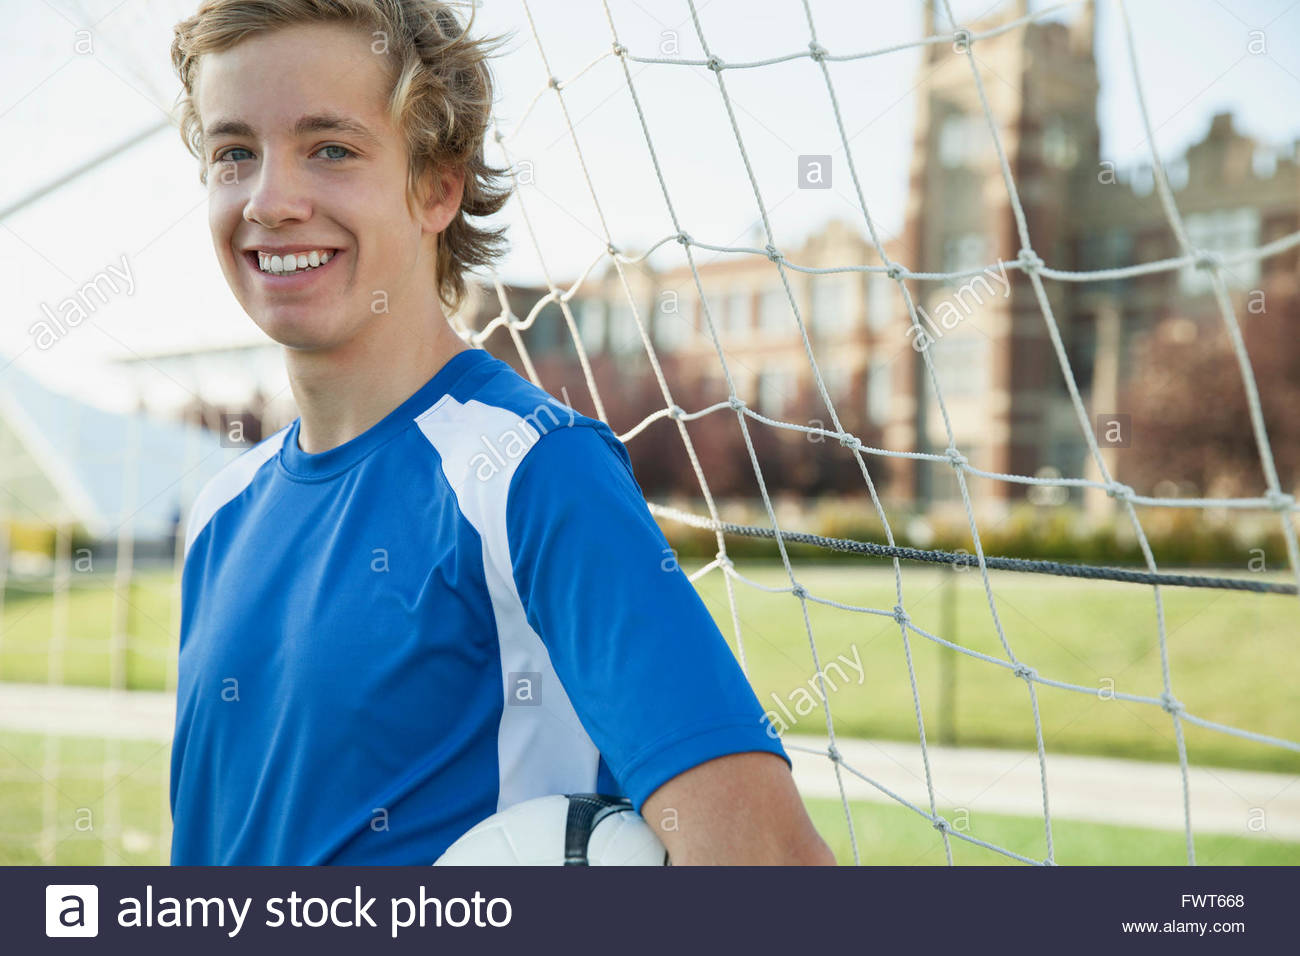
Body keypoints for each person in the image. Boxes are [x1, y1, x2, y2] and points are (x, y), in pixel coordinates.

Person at [168, 0, 833, 865]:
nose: (270, 201)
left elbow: (770, 863)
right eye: (234, 153)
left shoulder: (529, 473)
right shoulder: (220, 512)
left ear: (438, 186)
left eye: (330, 148)